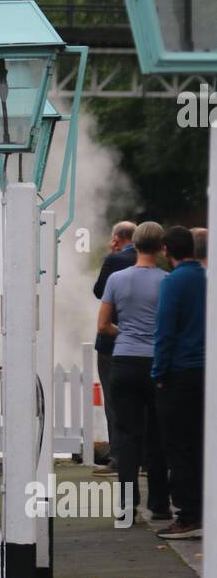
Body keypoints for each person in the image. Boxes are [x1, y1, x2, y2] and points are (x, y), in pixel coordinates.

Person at [97, 221, 170, 524]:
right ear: (161, 248)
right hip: (155, 365)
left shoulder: (116, 278)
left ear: (135, 245)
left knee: (127, 437)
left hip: (123, 361)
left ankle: (127, 507)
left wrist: (125, 332)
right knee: (157, 435)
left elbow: (102, 325)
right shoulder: (167, 281)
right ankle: (160, 505)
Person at [152, 226, 206, 540]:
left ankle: (188, 514)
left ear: (166, 250)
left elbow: (165, 332)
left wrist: (159, 374)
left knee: (179, 446)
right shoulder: (206, 278)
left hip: (180, 373)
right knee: (201, 443)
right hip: (205, 373)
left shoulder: (173, 283)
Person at [92, 221, 137, 473]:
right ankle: (142, 457)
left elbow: (99, 291)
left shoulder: (114, 261)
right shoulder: (151, 265)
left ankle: (118, 457)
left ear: (117, 238)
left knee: (113, 401)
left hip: (113, 342)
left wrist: (111, 255)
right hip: (143, 344)